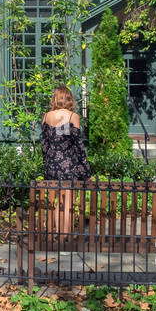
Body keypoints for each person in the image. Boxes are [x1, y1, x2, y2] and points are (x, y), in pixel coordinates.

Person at [39, 85, 91, 235]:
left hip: (51, 164)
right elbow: (78, 146)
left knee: (56, 202)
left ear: (55, 98)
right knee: (67, 202)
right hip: (68, 164)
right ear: (69, 99)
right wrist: (86, 171)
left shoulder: (46, 116)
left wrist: (46, 165)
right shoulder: (72, 116)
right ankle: (65, 237)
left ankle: (56, 234)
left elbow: (44, 145)